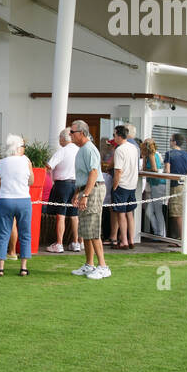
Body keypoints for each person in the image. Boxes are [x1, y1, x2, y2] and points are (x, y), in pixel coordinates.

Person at [69, 120, 110, 280]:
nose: (70, 135)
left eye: (73, 132)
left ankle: (103, 266)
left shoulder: (89, 149)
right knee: (85, 230)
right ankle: (89, 264)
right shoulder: (82, 150)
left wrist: (85, 194)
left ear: (82, 133)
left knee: (93, 229)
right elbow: (83, 175)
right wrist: (77, 193)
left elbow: (93, 172)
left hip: (93, 190)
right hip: (86, 189)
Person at [0, 134, 34, 276]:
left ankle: (0, 268)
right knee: (25, 234)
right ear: (17, 148)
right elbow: (32, 181)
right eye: (23, 146)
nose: (24, 148)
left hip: (6, 199)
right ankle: (23, 268)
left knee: (3, 233)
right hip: (23, 199)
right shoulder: (26, 162)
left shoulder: (2, 162)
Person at [44, 128, 80, 253]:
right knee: (74, 215)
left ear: (64, 138)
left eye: (60, 137)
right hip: (76, 184)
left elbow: (48, 166)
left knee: (61, 215)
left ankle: (59, 243)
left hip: (62, 184)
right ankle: (75, 242)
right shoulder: (79, 150)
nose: (59, 140)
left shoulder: (62, 151)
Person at [109, 124, 139, 250]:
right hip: (132, 185)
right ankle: (131, 240)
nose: (114, 137)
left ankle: (124, 241)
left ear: (119, 136)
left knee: (121, 214)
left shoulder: (119, 150)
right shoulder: (134, 148)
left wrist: (114, 185)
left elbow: (118, 171)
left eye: (114, 135)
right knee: (129, 213)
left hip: (122, 184)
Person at [141, 138, 166, 237]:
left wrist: (146, 168)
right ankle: (157, 232)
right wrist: (144, 159)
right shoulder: (148, 155)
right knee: (149, 211)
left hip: (157, 184)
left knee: (158, 210)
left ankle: (161, 233)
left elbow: (154, 169)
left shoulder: (152, 155)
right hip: (153, 184)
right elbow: (144, 168)